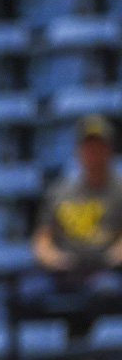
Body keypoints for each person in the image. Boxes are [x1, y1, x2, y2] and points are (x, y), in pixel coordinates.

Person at [22, 114, 122, 318]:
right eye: (88, 147)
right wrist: (55, 259)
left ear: (109, 150)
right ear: (78, 151)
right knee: (29, 292)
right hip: (63, 271)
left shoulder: (119, 191)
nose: (93, 153)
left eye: (99, 146)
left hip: (104, 269)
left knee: (107, 290)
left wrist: (109, 257)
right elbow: (42, 239)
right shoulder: (60, 191)